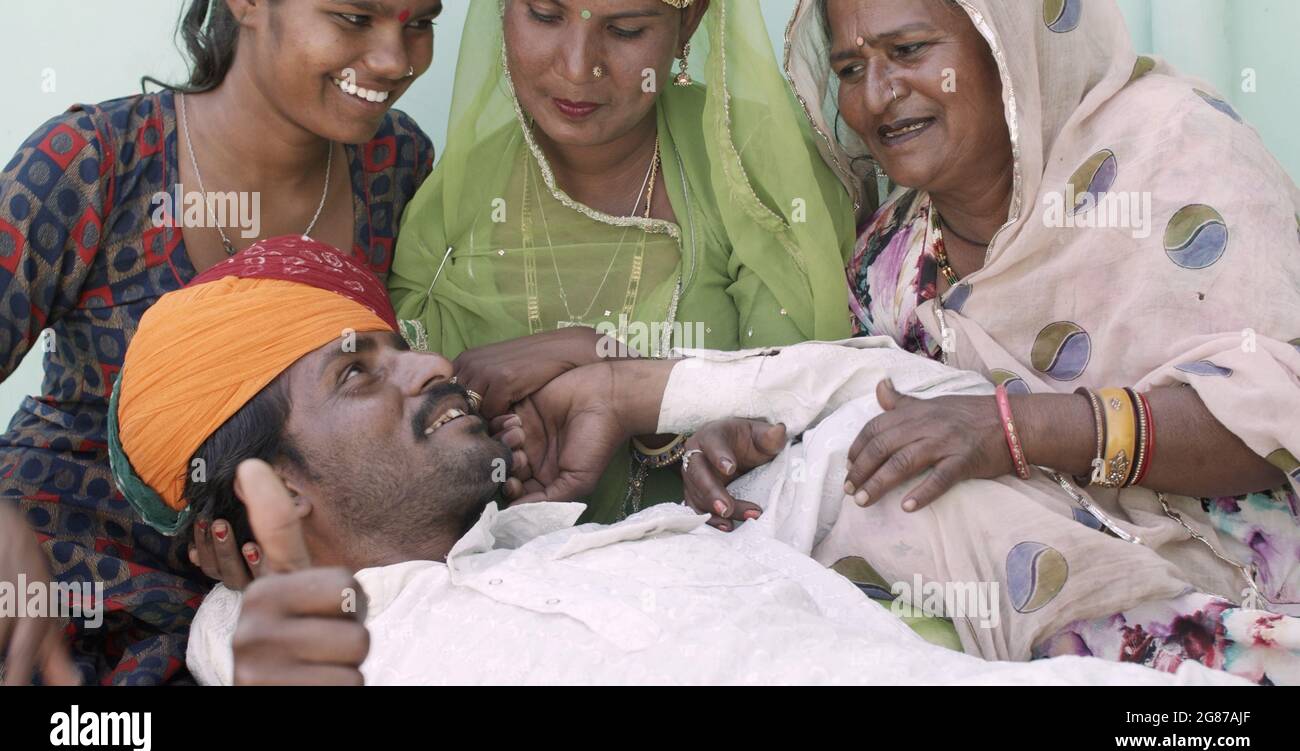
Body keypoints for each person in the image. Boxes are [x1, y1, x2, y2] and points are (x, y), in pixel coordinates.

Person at [108, 238, 1235, 686]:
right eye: (358, 376)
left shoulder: (537, 554)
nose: (430, 366)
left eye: (397, 346)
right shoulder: (362, 657)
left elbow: (915, 402)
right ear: (246, 522)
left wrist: (631, 386)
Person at [782, 0, 1300, 679]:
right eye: (851, 68)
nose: (877, 95)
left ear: (1008, 46)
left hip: (1243, 587)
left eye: (908, 52)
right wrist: (776, 438)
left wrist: (1014, 429)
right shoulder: (889, 265)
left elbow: (1275, 414)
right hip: (1037, 605)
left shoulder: (1174, 149)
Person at [0, 0, 439, 684]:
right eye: (354, 17)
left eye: (421, 23)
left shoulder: (395, 165)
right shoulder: (96, 162)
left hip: (231, 626)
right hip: (49, 585)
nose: (394, 59)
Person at [388, 0, 858, 524]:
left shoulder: (753, 176)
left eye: (626, 29)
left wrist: (596, 358)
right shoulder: (447, 207)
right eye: (545, 16)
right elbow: (388, 447)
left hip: (717, 579)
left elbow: (801, 411)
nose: (577, 66)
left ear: (690, 22)